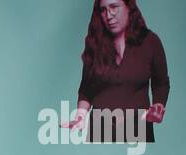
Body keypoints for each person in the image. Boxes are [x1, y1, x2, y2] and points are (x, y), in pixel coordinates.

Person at [64, 0, 169, 144]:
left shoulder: (150, 41)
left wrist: (159, 105)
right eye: (103, 10)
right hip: (100, 135)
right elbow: (86, 89)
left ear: (129, 8)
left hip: (138, 134)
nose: (109, 15)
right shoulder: (95, 44)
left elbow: (161, 83)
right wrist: (80, 116)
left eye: (114, 7)